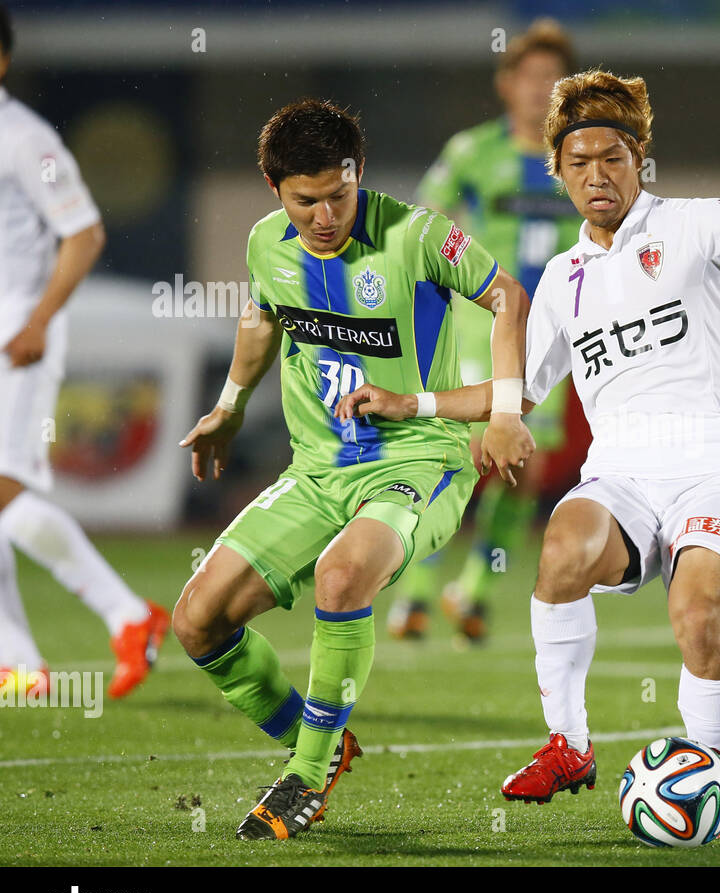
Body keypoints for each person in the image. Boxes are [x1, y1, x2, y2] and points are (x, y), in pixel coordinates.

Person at [338, 70, 720, 833]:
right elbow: (515, 393)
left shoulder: (700, 224)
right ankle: (570, 745)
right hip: (621, 475)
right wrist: (411, 404)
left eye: (614, 158)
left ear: (639, 160)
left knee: (696, 617)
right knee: (560, 550)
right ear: (556, 171)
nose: (598, 175)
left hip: (710, 469)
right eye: (580, 161)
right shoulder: (562, 280)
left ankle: (710, 775)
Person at [171, 99, 534, 840]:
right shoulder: (266, 244)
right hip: (318, 471)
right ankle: (319, 743)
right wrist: (231, 405)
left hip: (419, 458)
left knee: (343, 577)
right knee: (197, 622)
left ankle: (304, 776)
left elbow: (508, 296)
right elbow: (262, 316)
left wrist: (502, 412)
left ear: (357, 173)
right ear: (275, 188)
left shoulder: (417, 234)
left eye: (340, 194)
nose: (326, 215)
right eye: (306, 201)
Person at [392, 18, 587, 646]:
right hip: (484, 328)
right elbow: (421, 222)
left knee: (524, 467)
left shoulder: (584, 158)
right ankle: (415, 593)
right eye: (529, 77)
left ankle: (472, 587)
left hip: (556, 336)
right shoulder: (473, 151)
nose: (539, 89)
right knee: (465, 457)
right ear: (507, 85)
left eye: (552, 79)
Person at [0, 2, 168, 702]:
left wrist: (39, 318)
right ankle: (19, 664)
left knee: (5, 495)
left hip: (20, 332)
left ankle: (129, 615)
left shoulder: (24, 137)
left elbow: (86, 234)